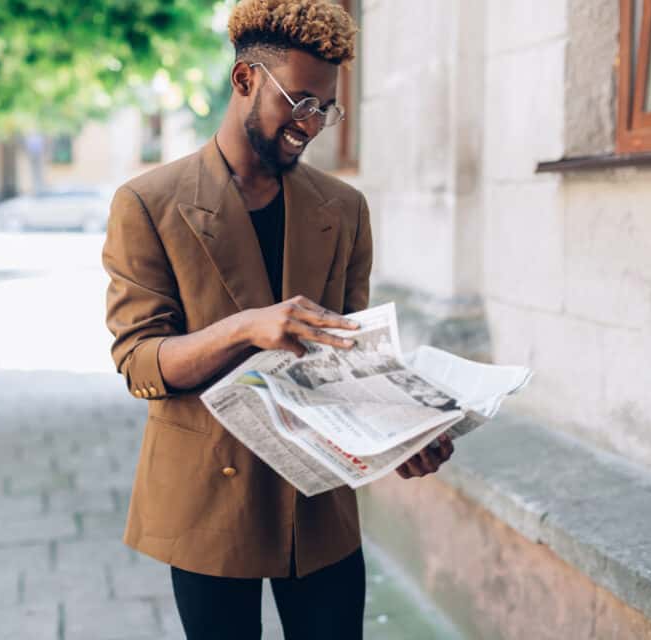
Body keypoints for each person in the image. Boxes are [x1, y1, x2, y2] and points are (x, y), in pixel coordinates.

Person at [102, 1, 454, 637]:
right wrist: (245, 327)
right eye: (300, 101)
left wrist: (403, 436)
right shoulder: (148, 204)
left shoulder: (344, 208)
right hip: (209, 495)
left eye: (326, 108)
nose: (312, 123)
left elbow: (352, 355)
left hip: (318, 500)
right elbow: (139, 362)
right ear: (245, 81)